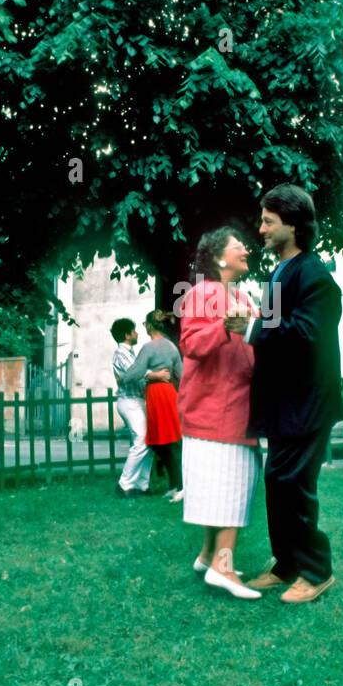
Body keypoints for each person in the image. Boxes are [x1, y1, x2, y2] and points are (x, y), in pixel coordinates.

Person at [226, 184, 343, 604]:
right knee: (278, 481)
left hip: (308, 403)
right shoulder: (279, 273)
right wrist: (255, 324)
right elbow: (277, 333)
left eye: (268, 221)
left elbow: (309, 334)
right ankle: (287, 564)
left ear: (293, 225)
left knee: (294, 483)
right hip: (284, 403)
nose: (260, 229)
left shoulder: (314, 274)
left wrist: (254, 329)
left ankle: (316, 570)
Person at [179, 229, 261, 600]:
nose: (246, 248)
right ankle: (222, 568)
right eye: (236, 245)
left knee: (221, 488)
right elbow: (191, 344)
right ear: (218, 258)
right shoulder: (202, 293)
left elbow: (257, 343)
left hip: (233, 406)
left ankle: (207, 555)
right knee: (232, 487)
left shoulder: (242, 296)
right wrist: (222, 326)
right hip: (217, 408)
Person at [119, 311, 183, 501]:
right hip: (169, 393)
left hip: (157, 395)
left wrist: (121, 378)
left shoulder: (148, 348)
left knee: (163, 442)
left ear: (149, 326)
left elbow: (134, 372)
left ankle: (180, 486)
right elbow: (181, 373)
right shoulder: (171, 347)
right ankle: (175, 485)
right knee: (163, 441)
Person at [110, 319, 153, 498]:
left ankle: (142, 485)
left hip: (138, 400)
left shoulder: (131, 353)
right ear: (127, 335)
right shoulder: (121, 352)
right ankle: (124, 484)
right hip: (130, 401)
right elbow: (135, 373)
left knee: (149, 441)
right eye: (134, 331)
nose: (137, 333)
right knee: (142, 440)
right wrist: (156, 374)